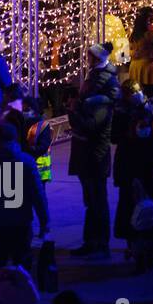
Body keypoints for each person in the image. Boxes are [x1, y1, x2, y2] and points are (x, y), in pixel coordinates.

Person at [67, 42, 119, 260]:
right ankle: (92, 240)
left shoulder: (101, 96)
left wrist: (73, 112)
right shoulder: (95, 80)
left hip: (94, 153)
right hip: (87, 151)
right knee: (91, 200)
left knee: (97, 199)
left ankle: (99, 242)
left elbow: (91, 125)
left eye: (89, 56)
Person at [0, 121, 48, 271]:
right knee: (22, 264)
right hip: (21, 221)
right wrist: (44, 220)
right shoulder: (27, 162)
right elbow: (37, 194)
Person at [112, 110, 153, 272]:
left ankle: (151, 252)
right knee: (133, 224)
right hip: (131, 191)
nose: (146, 129)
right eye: (142, 125)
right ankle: (137, 253)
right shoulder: (126, 144)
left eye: (148, 125)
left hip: (151, 188)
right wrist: (127, 181)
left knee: (151, 224)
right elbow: (119, 167)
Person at [127, 6, 153, 89]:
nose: (151, 20)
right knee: (151, 92)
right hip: (147, 67)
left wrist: (134, 53)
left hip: (134, 67)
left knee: (138, 91)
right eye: (150, 18)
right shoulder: (149, 33)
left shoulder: (133, 34)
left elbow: (127, 50)